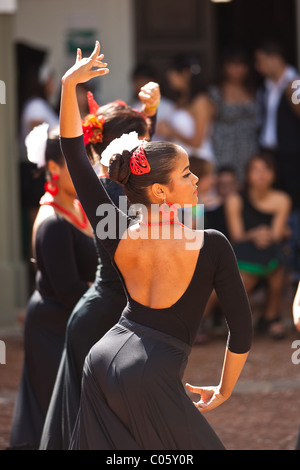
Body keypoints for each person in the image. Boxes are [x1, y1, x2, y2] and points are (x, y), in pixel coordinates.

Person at [57, 41, 252, 451]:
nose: (196, 178)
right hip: (150, 371)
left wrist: (68, 85)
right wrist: (224, 388)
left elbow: (75, 154)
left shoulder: (116, 230)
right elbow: (242, 329)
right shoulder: (211, 243)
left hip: (102, 358)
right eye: (186, 174)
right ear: (162, 191)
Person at [40, 84, 160, 450]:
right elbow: (72, 147)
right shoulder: (107, 189)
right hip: (102, 316)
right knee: (92, 426)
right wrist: (68, 87)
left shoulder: (118, 185)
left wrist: (149, 112)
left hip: (111, 313)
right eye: (143, 141)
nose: (149, 149)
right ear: (127, 146)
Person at [9, 125, 98, 450]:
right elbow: (67, 289)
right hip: (52, 326)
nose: (84, 174)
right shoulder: (52, 223)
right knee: (54, 412)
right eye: (77, 167)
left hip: (70, 321)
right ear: (54, 169)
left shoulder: (75, 206)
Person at [225, 152, 291, 340]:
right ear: (247, 174)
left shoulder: (282, 199)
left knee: (278, 271)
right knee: (247, 279)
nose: (261, 174)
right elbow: (237, 235)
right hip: (243, 249)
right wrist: (254, 234)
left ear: (273, 174)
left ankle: (271, 318)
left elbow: (277, 234)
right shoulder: (235, 199)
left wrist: (265, 236)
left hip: (270, 248)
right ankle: (239, 324)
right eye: (256, 170)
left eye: (266, 170)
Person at [255, 40, 300, 282]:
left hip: (292, 158)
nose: (258, 67)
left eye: (261, 61)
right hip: (271, 156)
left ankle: (294, 271)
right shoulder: (266, 86)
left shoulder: (294, 83)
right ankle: (280, 268)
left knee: (293, 210)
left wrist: (292, 93)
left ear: (275, 58)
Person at [209, 46, 259, 184]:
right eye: (234, 65)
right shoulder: (216, 92)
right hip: (223, 148)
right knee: (225, 184)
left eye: (242, 65)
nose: (238, 70)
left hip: (249, 147)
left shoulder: (253, 90)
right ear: (225, 67)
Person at [157, 53, 215, 162]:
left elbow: (197, 142)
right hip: (181, 161)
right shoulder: (181, 100)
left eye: (173, 73)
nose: (169, 77)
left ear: (185, 74)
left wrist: (171, 132)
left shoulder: (201, 101)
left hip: (199, 162)